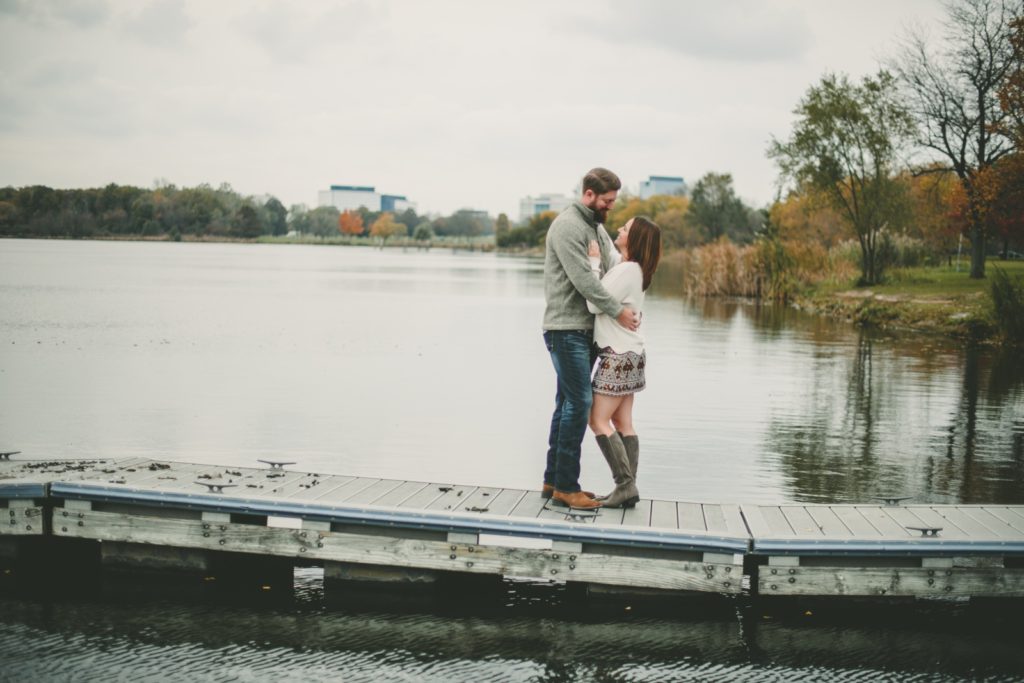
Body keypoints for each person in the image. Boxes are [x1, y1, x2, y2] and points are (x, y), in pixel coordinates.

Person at [542, 168, 640, 510]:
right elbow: (585, 282)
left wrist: (634, 282)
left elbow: (610, 270)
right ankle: (567, 488)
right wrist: (618, 311)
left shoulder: (595, 227)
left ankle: (553, 481)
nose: (611, 207)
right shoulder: (569, 227)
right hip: (565, 328)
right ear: (589, 195)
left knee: (566, 404)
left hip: (583, 331)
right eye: (607, 201)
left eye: (613, 201)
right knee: (580, 403)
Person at [587, 216, 662, 508]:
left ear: (636, 239)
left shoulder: (628, 270)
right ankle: (628, 488)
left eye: (626, 229)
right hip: (633, 355)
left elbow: (593, 302)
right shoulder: (637, 268)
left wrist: (594, 264)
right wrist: (596, 224)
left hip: (616, 355)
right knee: (622, 422)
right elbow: (610, 245)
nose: (619, 229)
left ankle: (625, 485)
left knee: (597, 420)